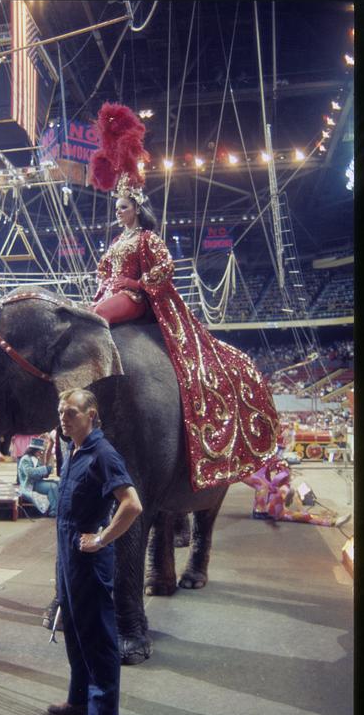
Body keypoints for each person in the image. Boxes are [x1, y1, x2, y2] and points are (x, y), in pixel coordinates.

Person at [88, 101, 279, 491]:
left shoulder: (146, 238)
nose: (118, 212)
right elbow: (105, 270)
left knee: (95, 319)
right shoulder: (118, 239)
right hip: (112, 291)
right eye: (117, 207)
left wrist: (135, 285)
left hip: (134, 298)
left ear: (137, 209)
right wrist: (107, 280)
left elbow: (164, 269)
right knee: (88, 312)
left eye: (123, 207)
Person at [47, 388, 142, 715]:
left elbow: (132, 504)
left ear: (91, 415)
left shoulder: (103, 453)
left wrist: (102, 538)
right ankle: (78, 698)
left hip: (88, 558)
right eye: (61, 412)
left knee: (98, 638)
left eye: (71, 412)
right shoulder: (74, 448)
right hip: (68, 550)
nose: (64, 418)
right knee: (73, 628)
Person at [18, 437, 59, 517]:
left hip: (37, 482)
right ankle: (54, 511)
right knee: (52, 487)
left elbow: (39, 473)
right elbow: (30, 473)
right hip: (29, 485)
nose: (41, 452)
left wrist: (47, 472)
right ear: (34, 450)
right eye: (40, 451)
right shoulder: (25, 459)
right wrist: (44, 469)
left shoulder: (35, 458)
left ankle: (56, 507)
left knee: (58, 483)